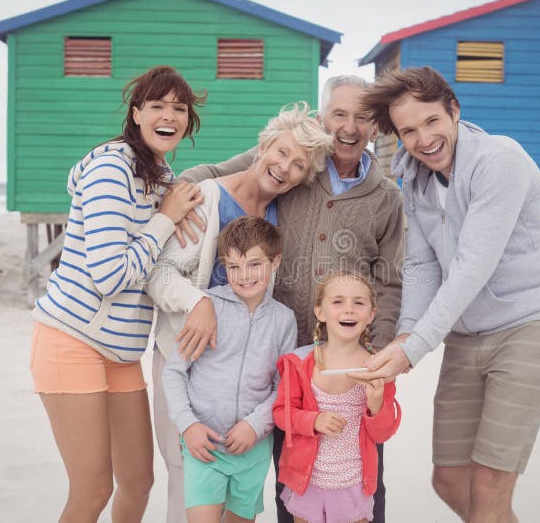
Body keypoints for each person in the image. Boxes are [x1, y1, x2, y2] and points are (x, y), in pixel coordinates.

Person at [180, 75, 405, 523]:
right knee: (293, 471)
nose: (349, 126)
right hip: (287, 356)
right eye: (339, 113)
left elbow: (391, 281)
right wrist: (179, 198)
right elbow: (215, 173)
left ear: (376, 126)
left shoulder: (386, 198)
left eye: (362, 117)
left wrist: (376, 353)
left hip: (347, 363)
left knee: (362, 471)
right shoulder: (302, 164)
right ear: (324, 118)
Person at [355, 67, 540, 522]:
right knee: (450, 479)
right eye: (409, 130)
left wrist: (414, 348)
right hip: (466, 334)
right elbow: (421, 263)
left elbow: (474, 265)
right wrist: (407, 330)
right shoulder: (414, 180)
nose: (424, 139)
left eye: (432, 121)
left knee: (491, 484)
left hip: (528, 325)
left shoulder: (500, 160)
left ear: (454, 111)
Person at [28, 65, 206, 522]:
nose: (170, 116)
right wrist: (165, 219)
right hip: (72, 341)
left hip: (122, 353)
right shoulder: (113, 167)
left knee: (138, 483)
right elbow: (110, 274)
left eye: (179, 108)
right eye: (158, 106)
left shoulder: (160, 173)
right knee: (91, 491)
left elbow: (207, 179)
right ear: (136, 112)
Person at [146, 102, 334, 523]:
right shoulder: (207, 198)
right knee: (186, 478)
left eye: (298, 165)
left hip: (246, 378)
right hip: (189, 356)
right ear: (263, 146)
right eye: (281, 152)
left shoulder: (277, 215)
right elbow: (157, 273)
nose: (285, 167)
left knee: (237, 497)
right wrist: (199, 303)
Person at [162, 216, 297, 522]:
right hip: (204, 446)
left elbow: (284, 386)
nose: (243, 276)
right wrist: (188, 425)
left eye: (254, 264)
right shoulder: (207, 307)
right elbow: (174, 372)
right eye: (233, 267)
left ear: (275, 262)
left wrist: (256, 425)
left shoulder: (283, 319)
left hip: (252, 447)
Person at [273, 272, 401, 523]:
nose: (349, 310)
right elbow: (281, 413)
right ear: (320, 312)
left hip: (353, 485)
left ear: (371, 314)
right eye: (338, 301)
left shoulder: (378, 368)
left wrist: (375, 405)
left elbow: (383, 433)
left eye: (359, 303)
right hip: (307, 484)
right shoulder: (299, 364)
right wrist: (314, 420)